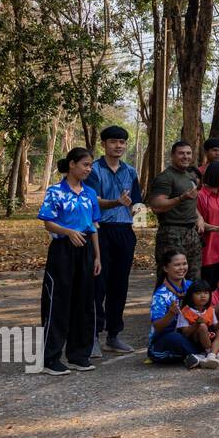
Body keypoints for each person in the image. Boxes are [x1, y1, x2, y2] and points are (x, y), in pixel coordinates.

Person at [37, 148, 103, 375]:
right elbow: (47, 222)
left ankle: (78, 354)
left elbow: (94, 226)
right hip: (63, 250)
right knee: (58, 302)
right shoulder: (56, 191)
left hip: (85, 250)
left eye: (91, 165)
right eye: (85, 164)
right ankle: (50, 358)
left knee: (84, 303)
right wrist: (67, 232)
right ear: (72, 164)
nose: (88, 169)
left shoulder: (90, 193)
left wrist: (97, 256)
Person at [85, 125, 139, 357]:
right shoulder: (95, 169)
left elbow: (137, 202)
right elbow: (93, 201)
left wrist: (137, 220)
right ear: (104, 144)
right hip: (101, 231)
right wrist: (117, 203)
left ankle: (114, 335)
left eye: (122, 142)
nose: (118, 146)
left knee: (120, 284)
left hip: (125, 231)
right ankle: (93, 335)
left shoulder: (131, 171)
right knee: (99, 284)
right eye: (113, 142)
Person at [147, 141, 204, 279]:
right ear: (172, 156)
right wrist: (180, 198)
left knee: (193, 279)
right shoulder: (165, 177)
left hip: (191, 233)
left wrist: (199, 217)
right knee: (170, 278)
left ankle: (188, 302)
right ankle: (167, 302)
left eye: (188, 153)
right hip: (171, 232)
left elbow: (190, 203)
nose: (185, 156)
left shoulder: (190, 176)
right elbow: (156, 206)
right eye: (181, 153)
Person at [176, 281, 219, 367]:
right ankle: (211, 352)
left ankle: (211, 356)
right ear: (191, 296)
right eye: (198, 293)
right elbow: (185, 332)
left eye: (206, 293)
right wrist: (197, 324)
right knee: (202, 326)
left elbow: (216, 327)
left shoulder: (210, 310)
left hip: (209, 337)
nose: (203, 296)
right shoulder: (185, 311)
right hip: (194, 340)